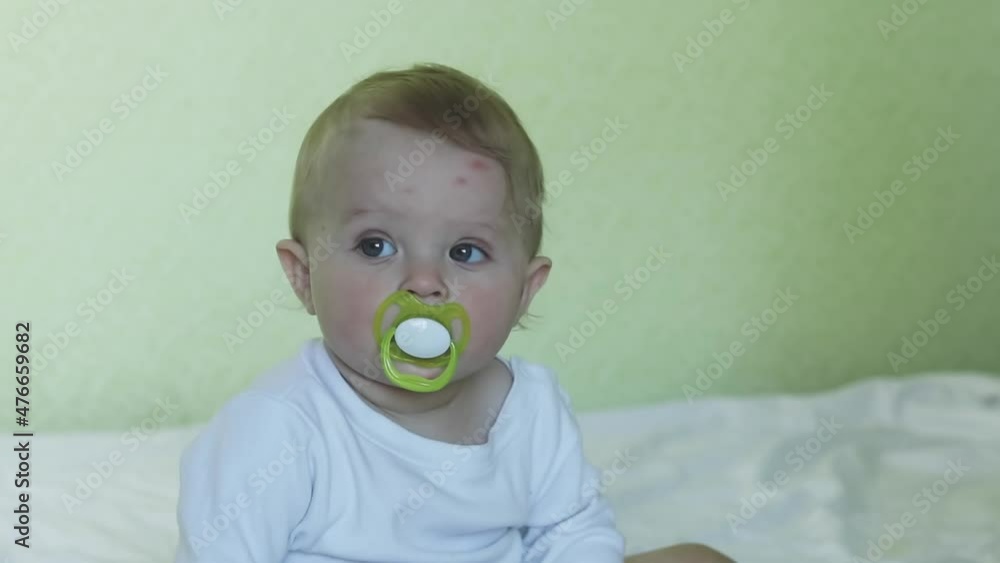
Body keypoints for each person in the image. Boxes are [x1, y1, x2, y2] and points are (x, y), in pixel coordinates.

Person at [174, 63, 734, 563]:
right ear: (304, 278)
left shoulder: (531, 408)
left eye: (466, 252)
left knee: (700, 559)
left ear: (525, 291)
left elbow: (569, 529)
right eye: (376, 246)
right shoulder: (278, 429)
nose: (424, 283)